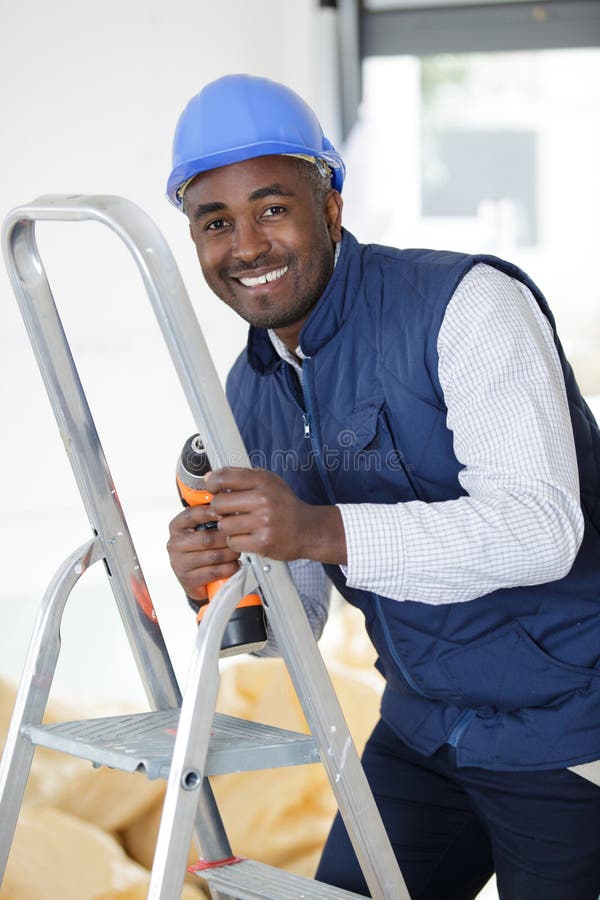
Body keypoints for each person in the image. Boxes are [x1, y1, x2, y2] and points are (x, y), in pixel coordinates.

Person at [165, 73, 600, 900]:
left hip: (570, 725)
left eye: (272, 208)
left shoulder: (466, 305)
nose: (247, 246)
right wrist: (230, 579)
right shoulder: (250, 384)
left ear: (330, 205)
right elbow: (304, 608)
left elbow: (542, 529)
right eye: (214, 222)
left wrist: (316, 529)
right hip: (423, 729)